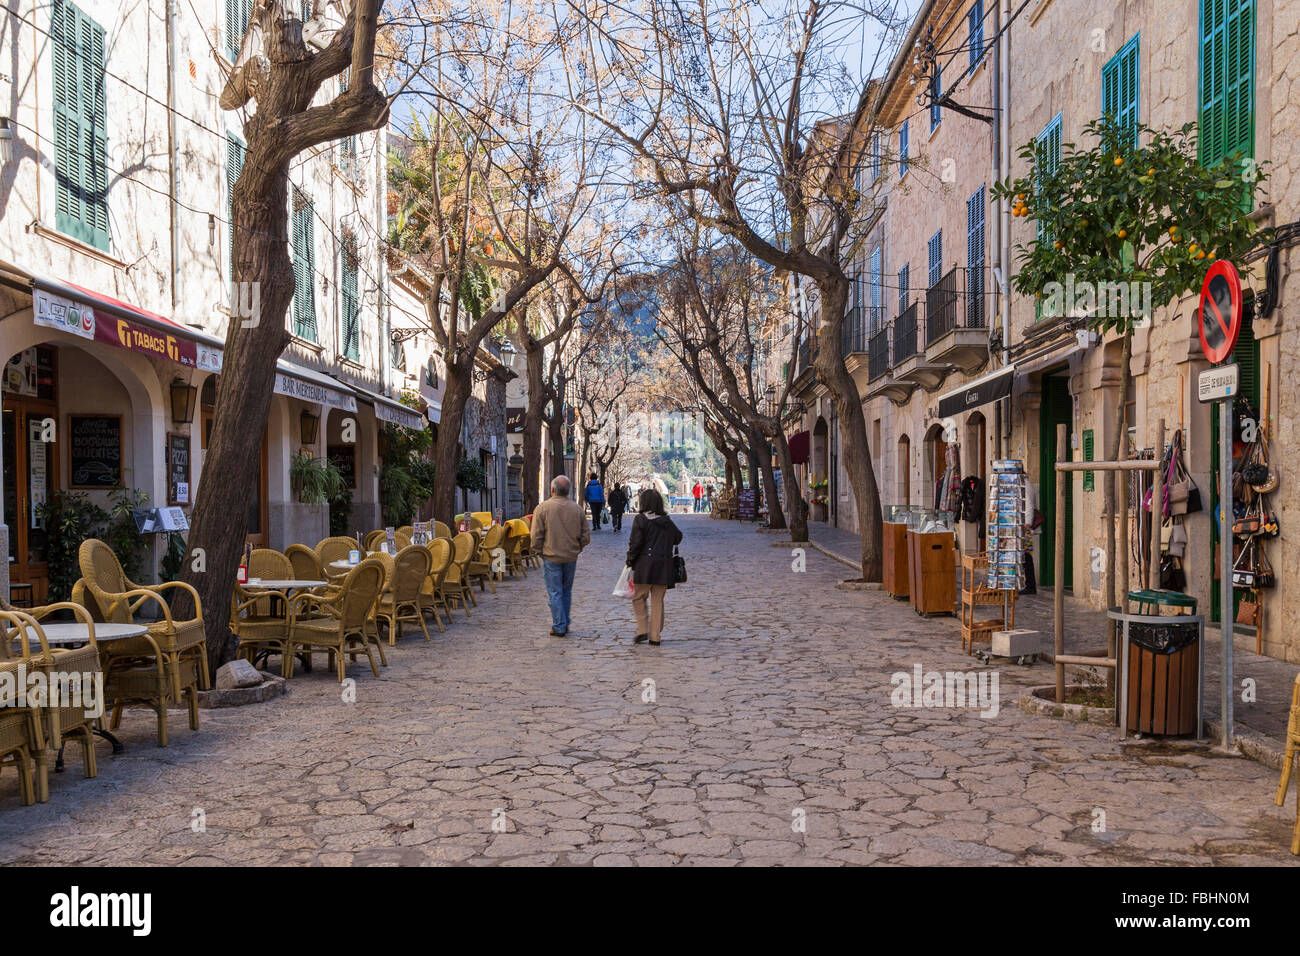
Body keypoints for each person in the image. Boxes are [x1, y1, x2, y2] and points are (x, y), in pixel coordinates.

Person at [530, 475, 590, 636]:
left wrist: (537, 550)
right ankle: (564, 621)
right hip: (570, 556)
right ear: (568, 491)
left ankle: (559, 625)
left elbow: (536, 534)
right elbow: (585, 535)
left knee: (555, 591)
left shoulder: (543, 508)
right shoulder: (576, 509)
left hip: (551, 555)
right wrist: (578, 548)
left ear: (552, 490)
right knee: (566, 591)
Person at [625, 488, 683, 647]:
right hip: (663, 567)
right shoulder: (666, 521)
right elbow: (678, 537)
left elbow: (635, 543)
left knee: (638, 597)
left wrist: (630, 560)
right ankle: (655, 637)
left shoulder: (640, 520)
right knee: (658, 601)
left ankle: (642, 629)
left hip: (644, 566)